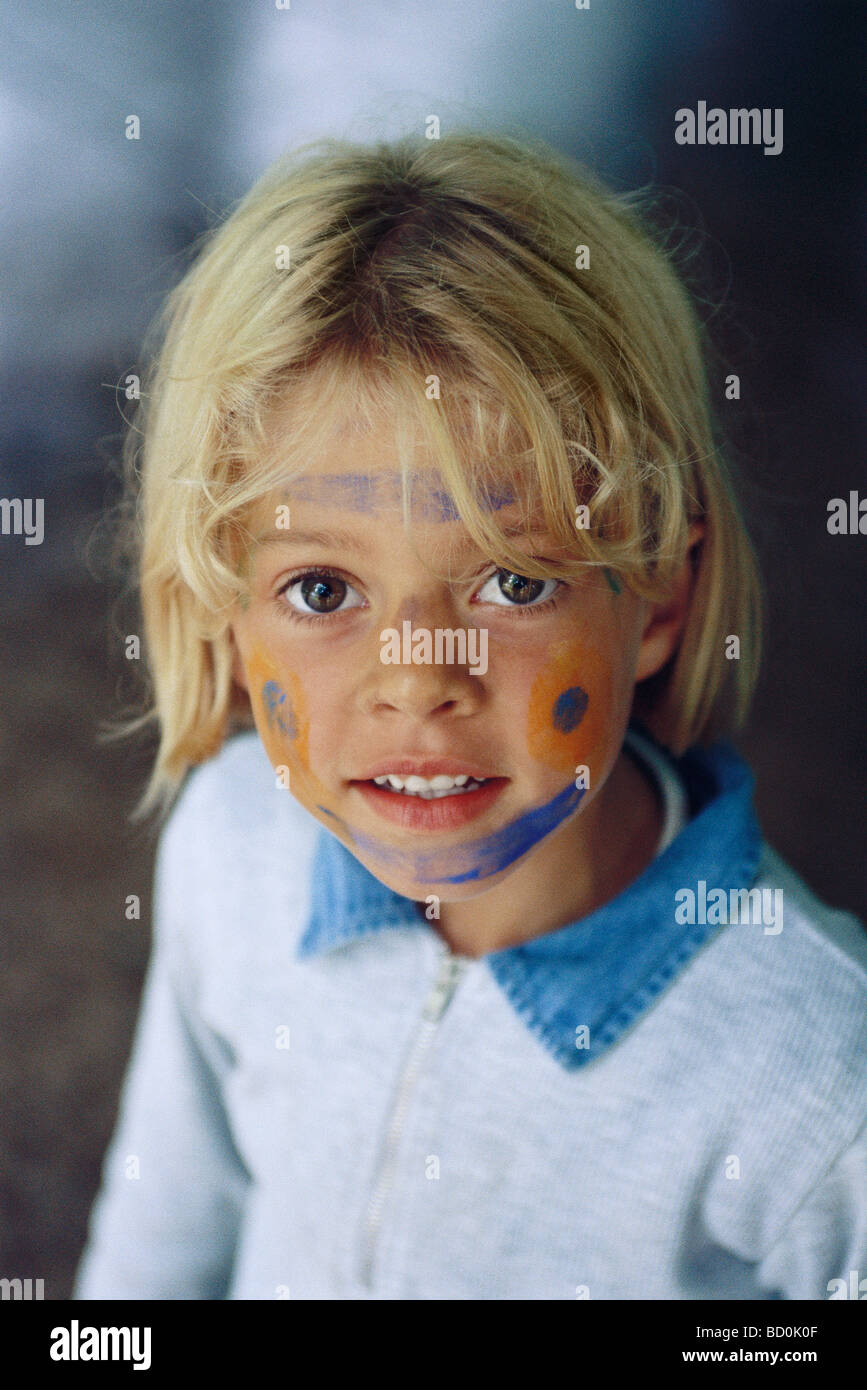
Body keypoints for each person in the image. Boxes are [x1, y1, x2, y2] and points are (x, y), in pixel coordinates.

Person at [74, 130, 867, 1300]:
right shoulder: (231, 844)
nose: (416, 676)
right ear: (225, 610)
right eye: (322, 590)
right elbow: (169, 1220)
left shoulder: (817, 1076)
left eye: (514, 580)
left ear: (660, 593)